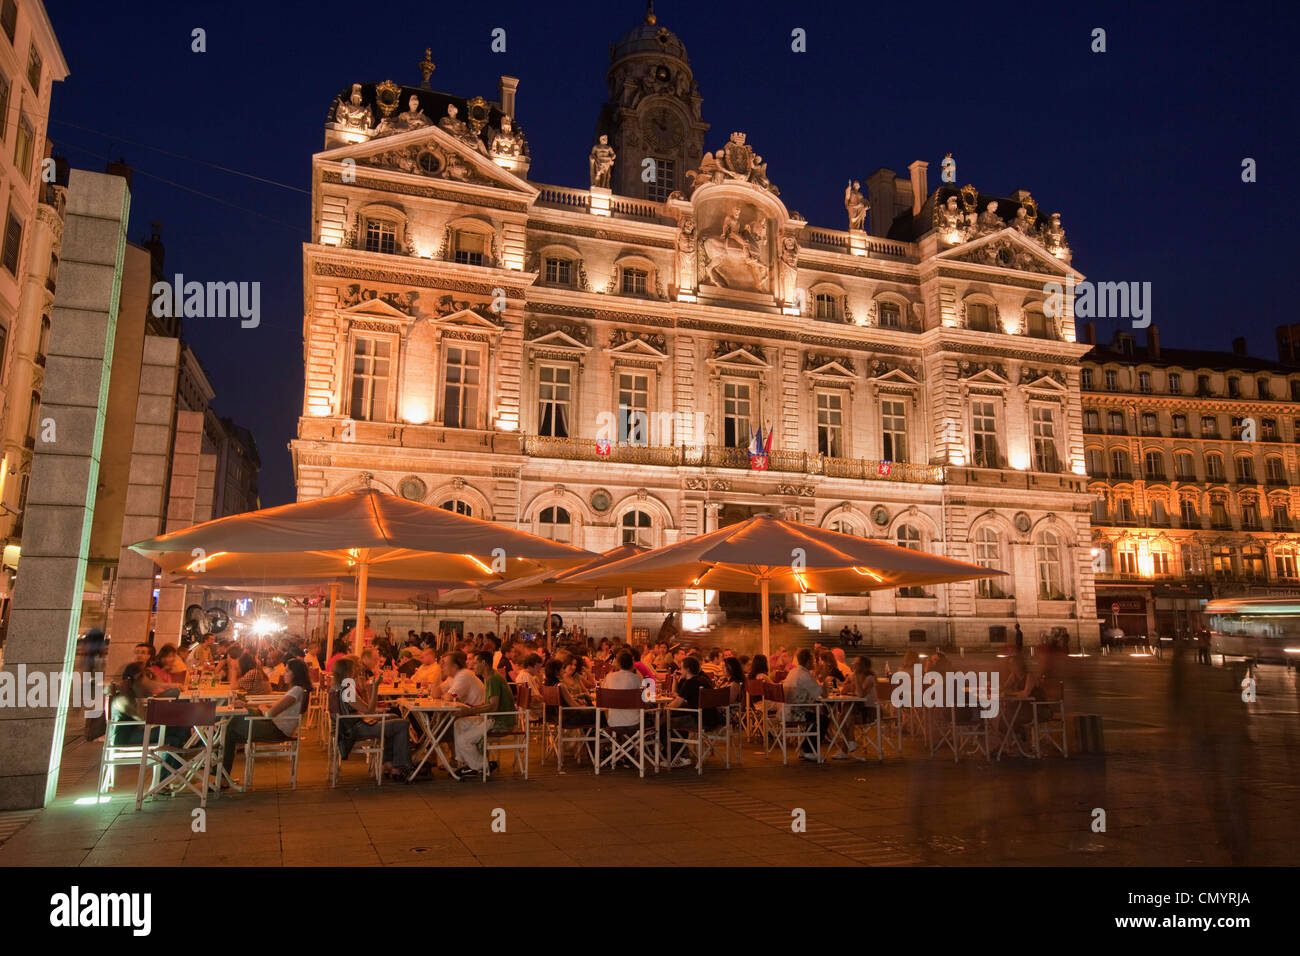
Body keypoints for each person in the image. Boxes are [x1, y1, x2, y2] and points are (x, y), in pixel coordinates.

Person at [220, 658, 312, 785]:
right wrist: (249, 705)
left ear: (295, 673)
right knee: (228, 730)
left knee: (228, 725)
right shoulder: (298, 690)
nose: (284, 674)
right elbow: (272, 707)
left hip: (276, 729)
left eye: (287, 671)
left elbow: (269, 713)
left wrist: (260, 706)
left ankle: (217, 770)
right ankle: (221, 776)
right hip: (273, 725)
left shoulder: (296, 691)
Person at [332, 657, 413, 781]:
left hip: (349, 726)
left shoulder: (338, 687)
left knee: (394, 717)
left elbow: (365, 707)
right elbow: (369, 710)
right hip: (354, 730)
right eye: (354, 668)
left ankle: (388, 762)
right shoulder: (347, 690)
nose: (357, 670)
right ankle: (399, 766)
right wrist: (375, 688)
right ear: (348, 672)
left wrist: (364, 689)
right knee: (402, 724)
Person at [446, 652, 514, 779]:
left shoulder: (493, 679)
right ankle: (466, 762)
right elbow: (488, 703)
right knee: (458, 723)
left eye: (475, 663)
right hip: (491, 717)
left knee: (464, 740)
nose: (472, 666)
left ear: (484, 663)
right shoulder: (489, 677)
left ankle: (481, 765)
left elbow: (493, 707)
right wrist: (470, 708)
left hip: (500, 721)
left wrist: (468, 711)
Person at [664, 657, 721, 766]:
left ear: (688, 669)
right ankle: (680, 755)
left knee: (664, 723)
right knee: (675, 719)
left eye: (681, 668)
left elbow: (676, 704)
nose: (680, 670)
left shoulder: (690, 683)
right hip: (711, 718)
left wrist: (663, 709)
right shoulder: (703, 680)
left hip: (699, 719)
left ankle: (680, 756)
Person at [782, 649, 823, 761]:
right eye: (813, 660)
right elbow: (820, 693)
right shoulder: (804, 675)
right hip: (797, 714)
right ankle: (809, 750)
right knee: (823, 719)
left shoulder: (793, 672)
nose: (814, 663)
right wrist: (823, 675)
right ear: (808, 661)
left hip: (786, 711)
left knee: (818, 715)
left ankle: (805, 748)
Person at [601, 650, 645, 730]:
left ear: (618, 663)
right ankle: (633, 742)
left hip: (613, 723)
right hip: (634, 723)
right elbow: (644, 699)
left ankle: (618, 741)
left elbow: (604, 699)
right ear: (632, 663)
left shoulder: (609, 677)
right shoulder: (637, 679)